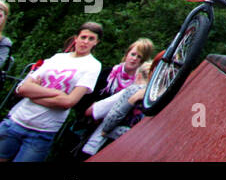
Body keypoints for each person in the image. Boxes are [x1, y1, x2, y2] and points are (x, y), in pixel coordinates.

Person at [0, 22, 103, 163]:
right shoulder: (57, 58)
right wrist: (56, 94)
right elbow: (23, 88)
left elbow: (68, 102)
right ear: (76, 38)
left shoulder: (93, 66)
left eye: (91, 39)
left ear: (96, 42)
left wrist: (34, 94)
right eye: (83, 37)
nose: (85, 41)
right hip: (16, 121)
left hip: (42, 132)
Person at [81, 60, 152, 158]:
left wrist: (105, 129)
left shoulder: (133, 90)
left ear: (138, 75)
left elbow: (94, 111)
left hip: (101, 145)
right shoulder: (154, 97)